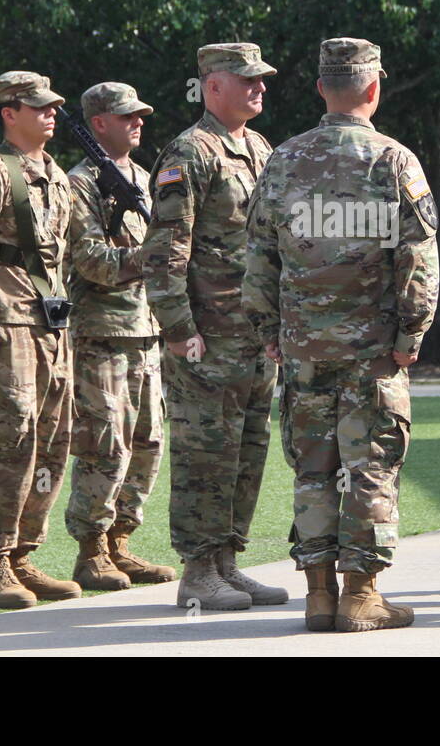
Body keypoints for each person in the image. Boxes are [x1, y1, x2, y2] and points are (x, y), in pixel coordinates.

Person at [244, 37, 438, 632]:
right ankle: (362, 595)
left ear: (321, 89)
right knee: (370, 465)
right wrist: (412, 332)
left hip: (303, 351)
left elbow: (257, 256)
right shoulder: (393, 161)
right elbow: (418, 260)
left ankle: (319, 596)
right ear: (374, 88)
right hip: (372, 353)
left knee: (313, 469)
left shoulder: (282, 160)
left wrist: (268, 329)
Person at [143, 43, 286, 610]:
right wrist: (178, 326)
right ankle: (198, 569)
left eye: (261, 79)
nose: (259, 88)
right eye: (246, 79)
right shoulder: (190, 152)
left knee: (248, 449)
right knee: (205, 451)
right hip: (207, 334)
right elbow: (166, 249)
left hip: (253, 335)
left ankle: (228, 561)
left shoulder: (259, 148)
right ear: (212, 85)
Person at [0, 70, 80, 609]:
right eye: (39, 107)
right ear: (9, 112)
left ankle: (25, 552)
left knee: (53, 442)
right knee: (10, 442)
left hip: (52, 322)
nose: (51, 113)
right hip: (7, 323)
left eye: (53, 106)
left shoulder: (55, 172)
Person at [63, 82, 175, 590]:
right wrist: (150, 256)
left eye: (140, 115)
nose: (138, 123)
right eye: (127, 116)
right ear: (99, 123)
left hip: (146, 327)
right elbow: (89, 261)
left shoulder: (142, 178)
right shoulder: (81, 183)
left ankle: (120, 542)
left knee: (148, 442)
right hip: (101, 332)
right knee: (104, 443)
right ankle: (91, 549)